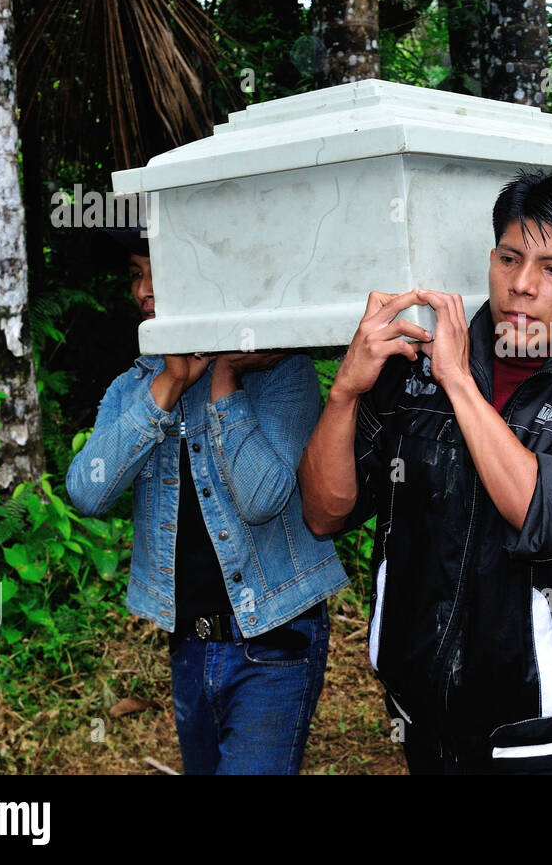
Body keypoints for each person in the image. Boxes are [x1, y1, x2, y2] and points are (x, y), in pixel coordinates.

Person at [297, 170, 552, 774]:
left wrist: (459, 383)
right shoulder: (410, 373)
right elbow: (323, 513)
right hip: (416, 699)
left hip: (532, 718)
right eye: (509, 258)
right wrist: (344, 391)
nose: (521, 286)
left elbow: (541, 515)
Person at [66, 228, 345, 775]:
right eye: (134, 274)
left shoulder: (281, 372)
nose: (141, 291)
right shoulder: (135, 388)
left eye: (158, 276)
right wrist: (168, 386)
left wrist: (224, 380)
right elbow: (86, 490)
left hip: (275, 637)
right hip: (190, 647)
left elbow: (263, 498)